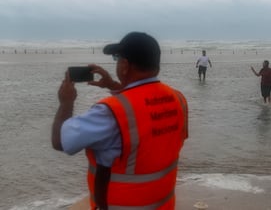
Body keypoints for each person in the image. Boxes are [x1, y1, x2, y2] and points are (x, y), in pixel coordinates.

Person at [51, 32, 188, 210]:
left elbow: (60, 142)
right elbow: (143, 107)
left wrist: (66, 103)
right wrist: (113, 85)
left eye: (117, 58)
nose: (116, 62)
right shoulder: (178, 99)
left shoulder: (109, 113)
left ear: (124, 65)